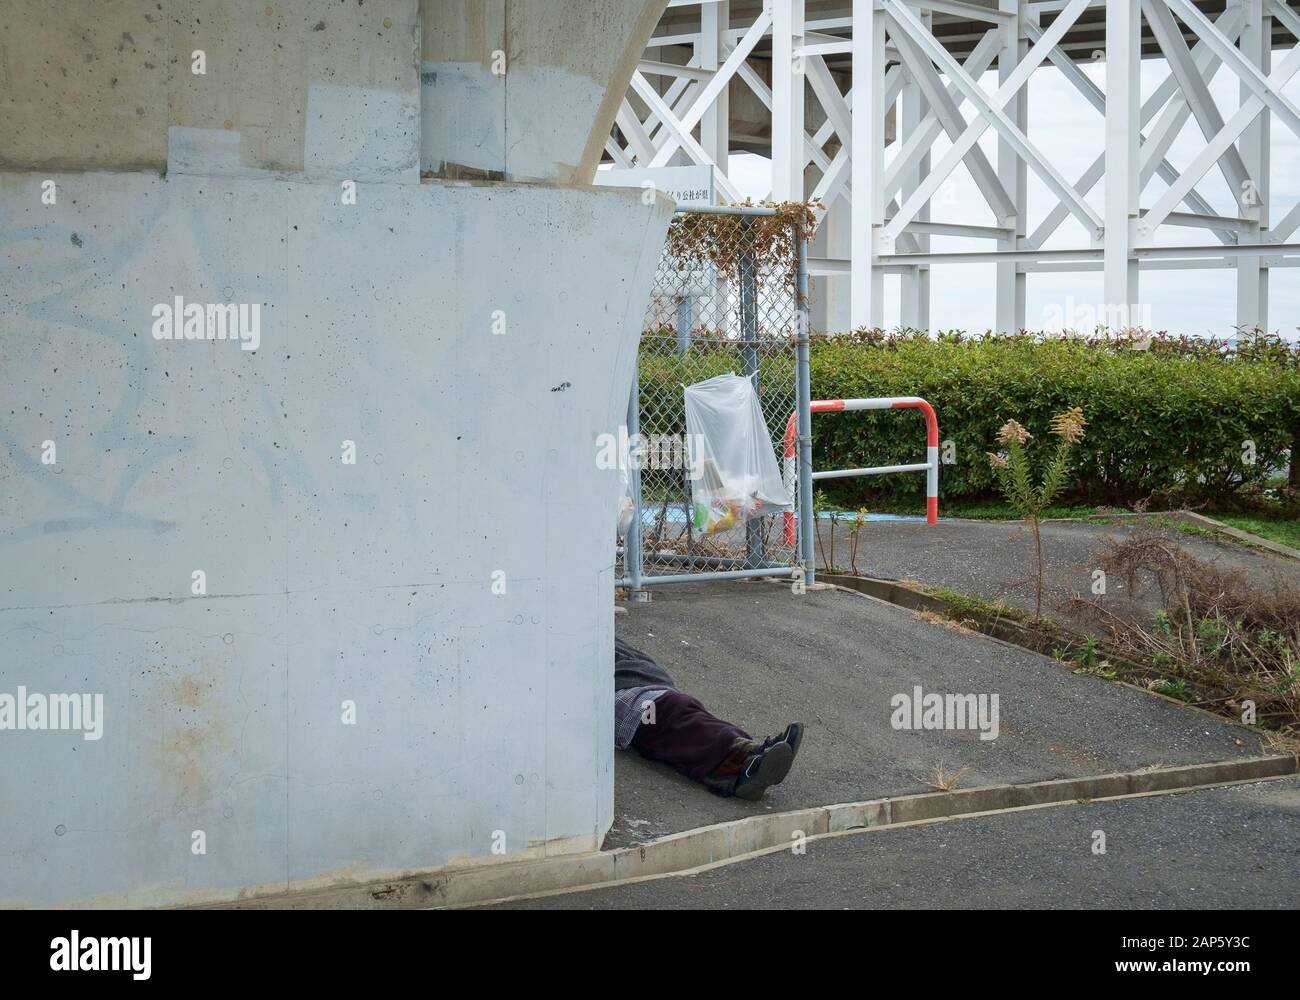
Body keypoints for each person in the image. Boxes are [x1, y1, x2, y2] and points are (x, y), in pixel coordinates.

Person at [614, 637, 803, 800]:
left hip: (647, 688)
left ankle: (750, 757)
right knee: (672, 716)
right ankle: (744, 761)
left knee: (688, 723)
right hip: (634, 696)